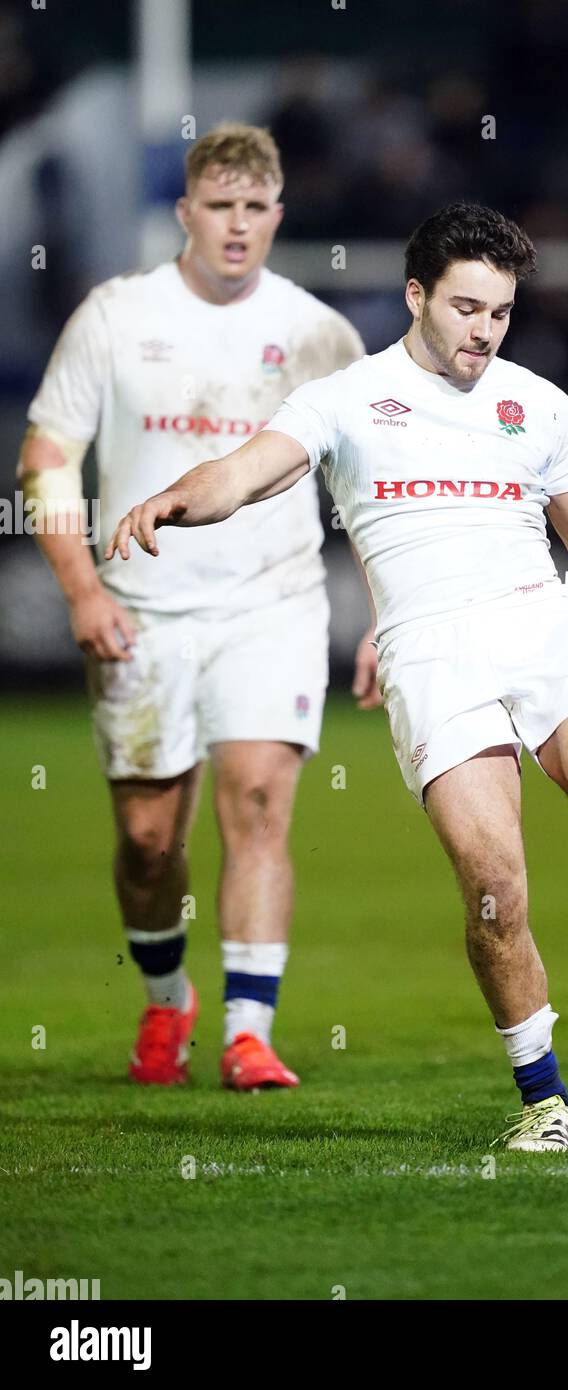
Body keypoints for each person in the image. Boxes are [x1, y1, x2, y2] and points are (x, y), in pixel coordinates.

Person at [106, 202, 568, 1147]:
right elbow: (246, 474)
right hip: (432, 657)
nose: (483, 330)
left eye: (500, 312)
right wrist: (171, 498)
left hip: (543, 631)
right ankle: (545, 1101)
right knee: (493, 882)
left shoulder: (541, 407)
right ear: (416, 296)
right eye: (465, 308)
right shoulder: (346, 400)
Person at [19, 122, 372, 1090]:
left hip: (275, 604)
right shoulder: (116, 315)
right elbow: (48, 456)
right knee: (146, 839)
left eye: (256, 208)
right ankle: (167, 1001)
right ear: (183, 212)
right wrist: (82, 588)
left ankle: (248, 1033)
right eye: (219, 206)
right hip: (142, 608)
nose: (237, 226)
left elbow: (363, 483)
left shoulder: (317, 331)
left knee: (257, 801)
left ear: (277, 215)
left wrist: (383, 610)